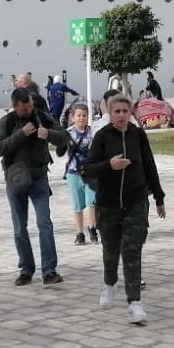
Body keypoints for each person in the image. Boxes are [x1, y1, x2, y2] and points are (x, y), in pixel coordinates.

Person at [83, 93, 166, 325]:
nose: (121, 115)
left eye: (124, 111)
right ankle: (110, 283)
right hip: (108, 204)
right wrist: (109, 165)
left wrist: (159, 197)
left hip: (136, 202)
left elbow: (150, 165)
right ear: (110, 113)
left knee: (132, 251)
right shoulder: (102, 136)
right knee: (111, 251)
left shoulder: (138, 135)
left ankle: (134, 303)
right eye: (116, 111)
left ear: (131, 113)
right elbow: (89, 168)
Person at [0, 86, 69, 285]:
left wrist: (48, 134)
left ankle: (49, 270)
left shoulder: (42, 116)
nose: (28, 111)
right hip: (15, 179)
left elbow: (64, 137)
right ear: (15, 107)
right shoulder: (7, 121)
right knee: (19, 228)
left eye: (30, 107)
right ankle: (26, 269)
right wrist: (21, 134)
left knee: (44, 223)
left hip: (38, 177)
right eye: (24, 109)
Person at [60, 103, 98, 246]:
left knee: (91, 201)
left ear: (88, 117)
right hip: (73, 172)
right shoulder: (68, 133)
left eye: (84, 115)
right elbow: (61, 150)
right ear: (73, 117)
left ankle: (92, 228)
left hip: (90, 172)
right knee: (77, 205)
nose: (82, 118)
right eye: (79, 115)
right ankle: (79, 232)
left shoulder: (92, 133)